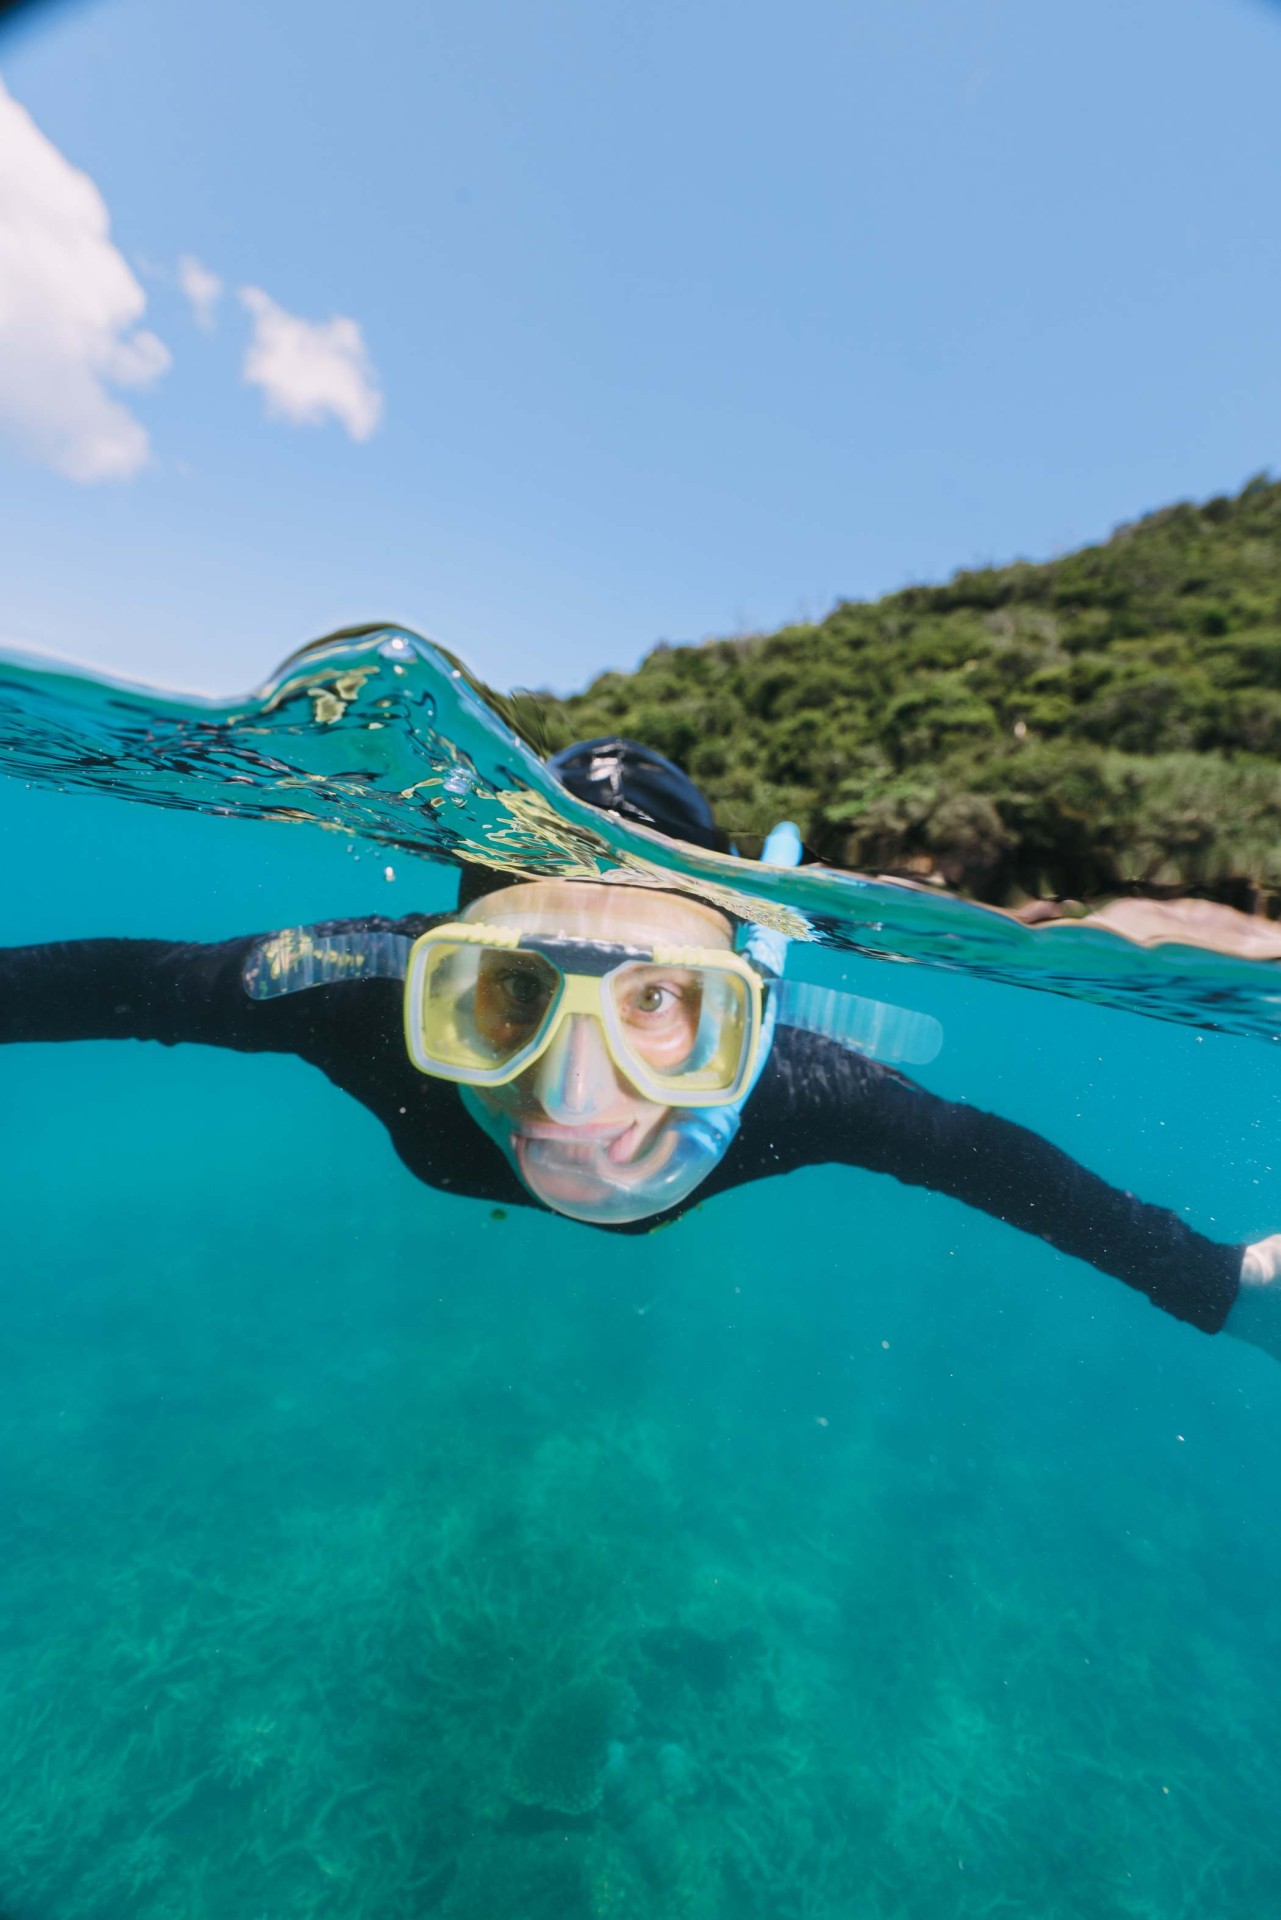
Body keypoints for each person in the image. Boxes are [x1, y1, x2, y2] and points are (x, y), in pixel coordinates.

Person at [3, 737, 1280, 1360]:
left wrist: (1220, 1282)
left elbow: (984, 1157)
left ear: (731, 1013)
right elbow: (130, 982)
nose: (573, 1091)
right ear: (442, 969)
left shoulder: (790, 1084)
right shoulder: (361, 990)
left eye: (657, 1002)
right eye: (511, 991)